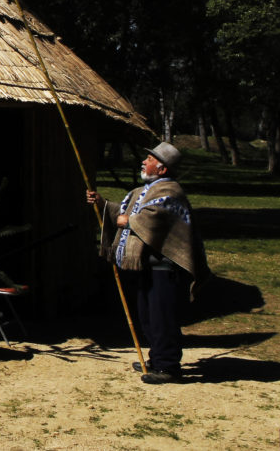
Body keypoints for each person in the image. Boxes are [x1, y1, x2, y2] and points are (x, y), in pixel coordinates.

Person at [86, 141, 210, 384]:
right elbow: (125, 212)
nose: (144, 162)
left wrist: (128, 221)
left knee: (163, 316)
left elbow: (152, 219)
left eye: (150, 159)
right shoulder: (146, 191)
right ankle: (157, 358)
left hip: (166, 266)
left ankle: (168, 367)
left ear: (162, 169)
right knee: (147, 315)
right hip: (148, 266)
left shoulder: (170, 192)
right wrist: (102, 204)